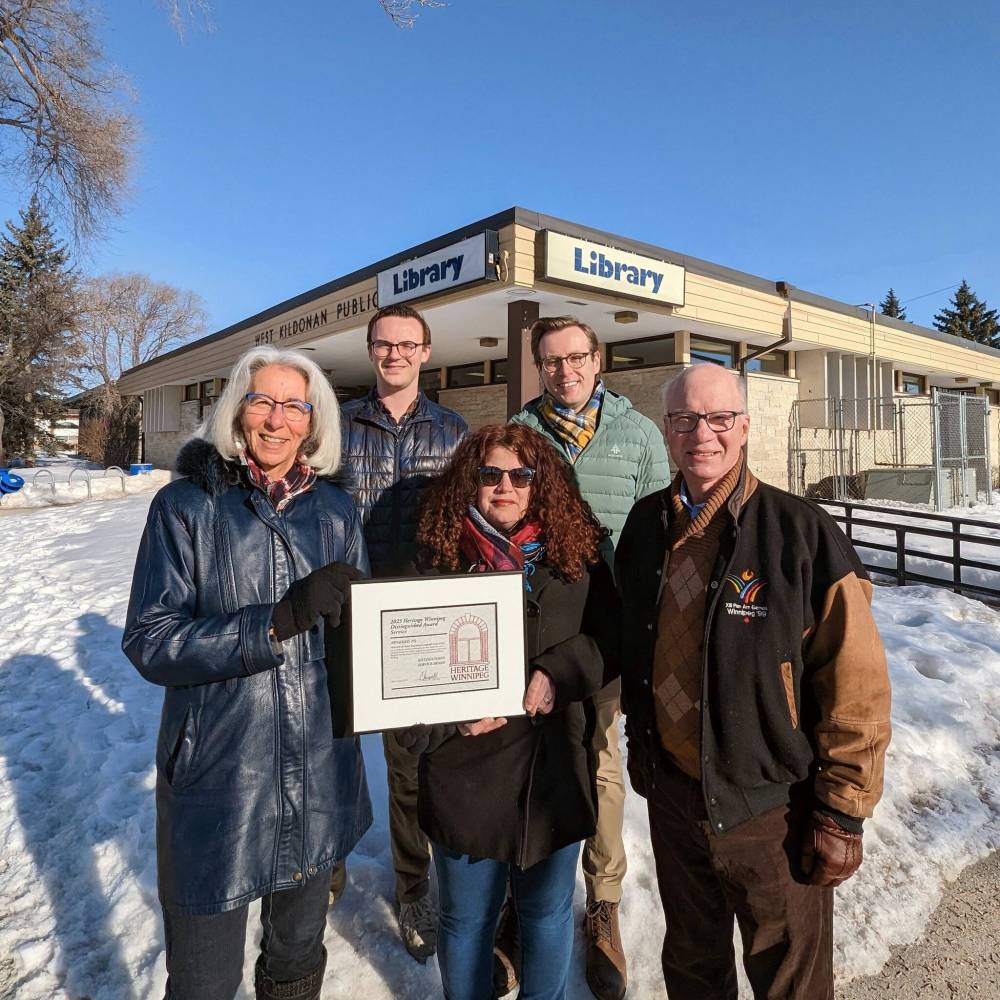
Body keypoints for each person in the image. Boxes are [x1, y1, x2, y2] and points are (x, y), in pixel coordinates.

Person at [615, 362, 892, 999]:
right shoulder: (645, 527)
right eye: (685, 420)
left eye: (718, 419)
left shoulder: (800, 531)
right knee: (691, 965)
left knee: (788, 980)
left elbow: (857, 682)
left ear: (745, 428)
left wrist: (844, 811)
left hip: (771, 809)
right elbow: (626, 645)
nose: (701, 434)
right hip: (675, 796)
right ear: (666, 431)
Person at [122, 346, 372, 1000]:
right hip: (221, 777)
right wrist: (276, 620)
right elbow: (152, 640)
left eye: (295, 404)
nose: (276, 418)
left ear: (313, 423)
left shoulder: (338, 514)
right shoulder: (186, 506)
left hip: (318, 773)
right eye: (263, 399)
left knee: (294, 962)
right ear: (237, 409)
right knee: (204, 980)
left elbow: (361, 645)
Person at [398, 423, 618, 1000]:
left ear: (539, 483)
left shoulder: (579, 553)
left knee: (546, 916)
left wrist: (556, 672)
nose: (505, 486)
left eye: (520, 475)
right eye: (490, 474)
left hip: (552, 771)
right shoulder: (436, 555)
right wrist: (451, 714)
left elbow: (612, 639)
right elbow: (405, 666)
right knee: (466, 921)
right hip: (463, 768)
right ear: (469, 481)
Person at [510, 315, 668, 1000]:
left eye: (577, 358)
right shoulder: (521, 433)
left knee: (600, 761)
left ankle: (601, 901)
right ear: (539, 368)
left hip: (607, 632)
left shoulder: (636, 434)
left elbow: (664, 531)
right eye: (552, 362)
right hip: (535, 631)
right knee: (528, 759)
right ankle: (526, 902)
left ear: (598, 360)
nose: (565, 371)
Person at [338, 302, 467, 961]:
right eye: (383, 344)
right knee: (327, 750)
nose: (394, 354)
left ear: (425, 352)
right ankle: (325, 862)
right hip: (347, 612)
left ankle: (415, 888)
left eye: (406, 344)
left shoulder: (453, 431)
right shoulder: (337, 429)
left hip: (418, 619)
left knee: (409, 762)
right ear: (371, 350)